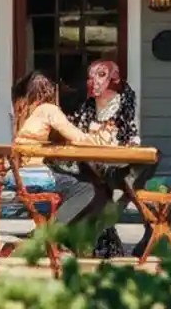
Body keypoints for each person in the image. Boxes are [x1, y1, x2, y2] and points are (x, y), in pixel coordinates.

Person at [60, 59, 148, 258]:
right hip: (89, 167)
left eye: (101, 76)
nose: (94, 81)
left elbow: (129, 140)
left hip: (116, 167)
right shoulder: (87, 107)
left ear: (113, 80)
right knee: (91, 185)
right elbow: (75, 134)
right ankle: (86, 238)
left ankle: (98, 237)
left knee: (115, 188)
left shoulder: (123, 106)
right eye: (91, 76)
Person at [4, 71, 98, 223]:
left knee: (71, 182)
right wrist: (97, 139)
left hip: (19, 176)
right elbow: (77, 137)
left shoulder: (23, 113)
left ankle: (53, 234)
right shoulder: (47, 109)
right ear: (49, 91)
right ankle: (50, 234)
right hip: (37, 176)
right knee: (86, 188)